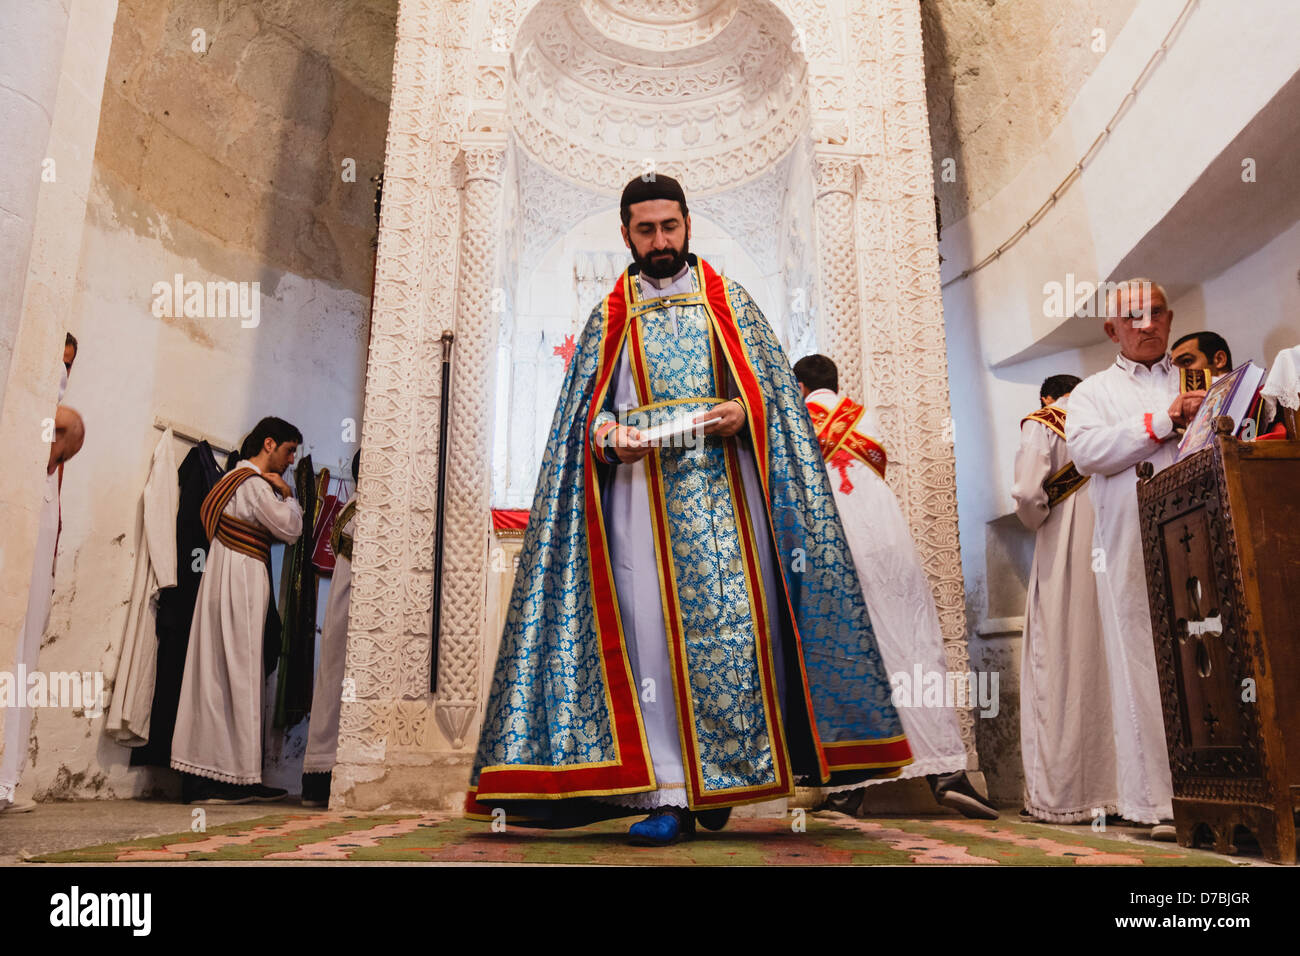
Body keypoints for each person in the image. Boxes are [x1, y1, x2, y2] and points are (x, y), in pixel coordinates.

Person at [466, 174, 911, 846]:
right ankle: (669, 789)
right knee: (650, 645)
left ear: (687, 224)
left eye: (669, 226)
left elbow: (775, 405)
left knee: (734, 640)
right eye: (645, 230)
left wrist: (745, 411)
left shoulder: (730, 305)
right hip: (636, 510)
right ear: (626, 235)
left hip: (727, 507)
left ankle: (724, 784)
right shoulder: (609, 317)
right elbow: (582, 422)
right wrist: (610, 438)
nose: (660, 241)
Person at [793, 354, 996, 820]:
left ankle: (851, 787)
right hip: (890, 544)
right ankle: (947, 771)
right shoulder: (867, 417)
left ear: (798, 385)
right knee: (914, 649)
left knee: (851, 658)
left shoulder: (796, 419)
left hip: (836, 547)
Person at [1066, 279, 1204, 839]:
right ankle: (1162, 802)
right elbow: (1086, 453)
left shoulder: (1198, 378)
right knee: (1145, 657)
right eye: (1132, 317)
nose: (1146, 325)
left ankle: (1227, 788)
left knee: (1214, 652)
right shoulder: (1092, 392)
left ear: (1170, 319)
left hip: (1208, 530)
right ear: (1111, 330)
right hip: (1131, 541)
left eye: (1155, 314)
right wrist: (1164, 421)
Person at [170, 416, 304, 804]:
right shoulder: (253, 485)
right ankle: (232, 778)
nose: (292, 460)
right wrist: (288, 494)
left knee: (217, 676)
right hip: (240, 581)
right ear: (268, 444)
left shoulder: (234, 480)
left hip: (225, 577)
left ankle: (216, 775)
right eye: (289, 450)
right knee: (238, 673)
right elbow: (290, 530)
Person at [1013, 374, 1117, 823]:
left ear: (1045, 397)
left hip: (1066, 545)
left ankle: (1062, 794)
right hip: (1113, 535)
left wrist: (1037, 521)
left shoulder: (1044, 421)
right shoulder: (1107, 417)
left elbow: (1026, 493)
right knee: (1111, 656)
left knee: (1059, 656)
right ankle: (1121, 790)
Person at [1, 406, 85, 812]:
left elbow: (71, 429)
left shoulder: (53, 461)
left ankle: (4, 783)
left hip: (35, 579)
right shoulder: (26, 416)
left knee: (20, 672)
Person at [301, 451, 359, 807]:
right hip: (349, 609)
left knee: (335, 688)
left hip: (345, 608)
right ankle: (323, 779)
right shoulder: (362, 509)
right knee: (338, 691)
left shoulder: (353, 506)